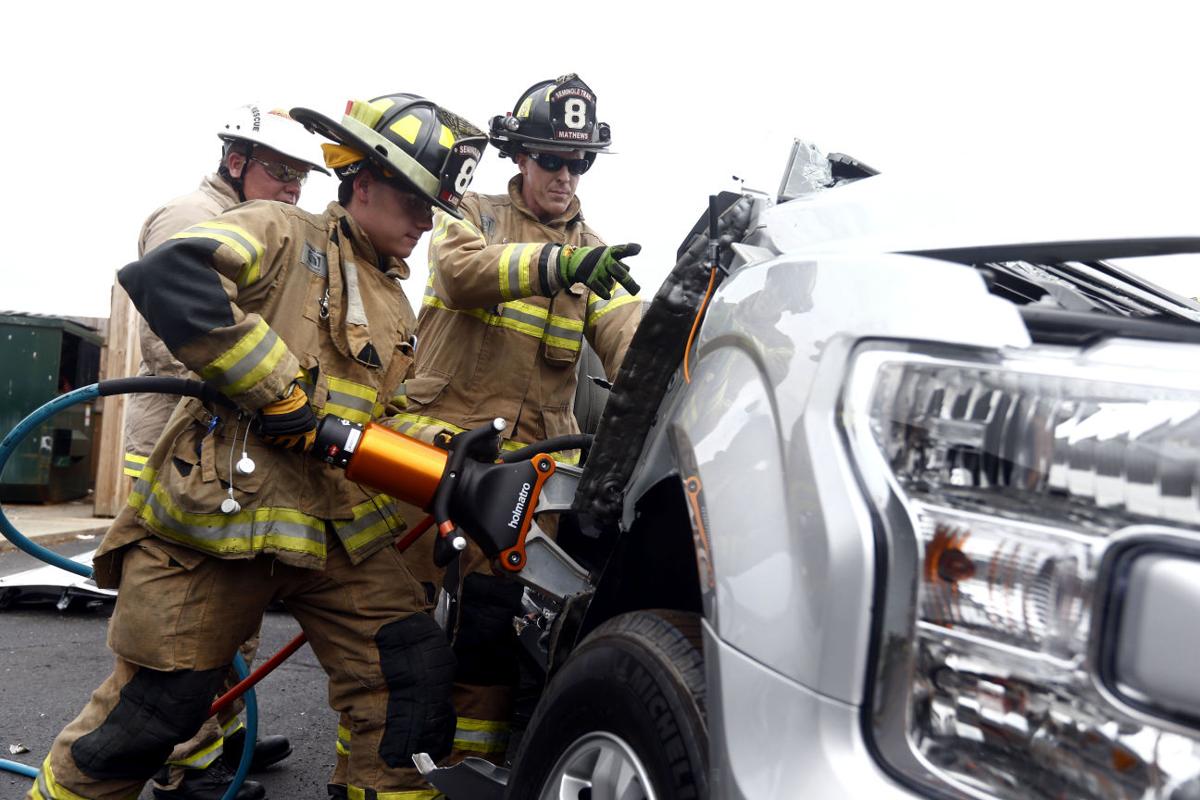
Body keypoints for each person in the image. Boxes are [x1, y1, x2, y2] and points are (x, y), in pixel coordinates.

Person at [27, 93, 488, 800]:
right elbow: (173, 276)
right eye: (415, 200)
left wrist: (454, 450)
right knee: (154, 714)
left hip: (335, 528)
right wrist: (283, 393)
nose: (428, 221)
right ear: (363, 183)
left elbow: (383, 416)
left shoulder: (395, 299)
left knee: (408, 681)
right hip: (225, 516)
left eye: (436, 207)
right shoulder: (277, 229)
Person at [390, 73, 642, 771]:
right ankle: (380, 773)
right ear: (519, 157)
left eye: (579, 160)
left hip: (530, 485)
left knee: (497, 639)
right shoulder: (468, 214)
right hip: (440, 462)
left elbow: (632, 344)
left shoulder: (597, 254)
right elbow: (463, 274)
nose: (566, 175)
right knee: (400, 628)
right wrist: (561, 265)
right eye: (551, 159)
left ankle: (474, 772)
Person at [120, 102, 327, 800]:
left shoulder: (259, 223)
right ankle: (184, 758)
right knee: (179, 619)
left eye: (302, 177)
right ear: (235, 161)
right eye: (280, 172)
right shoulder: (189, 217)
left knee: (232, 608)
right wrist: (266, 388)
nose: (294, 189)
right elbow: (173, 338)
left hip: (226, 449)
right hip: (179, 452)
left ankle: (224, 729)